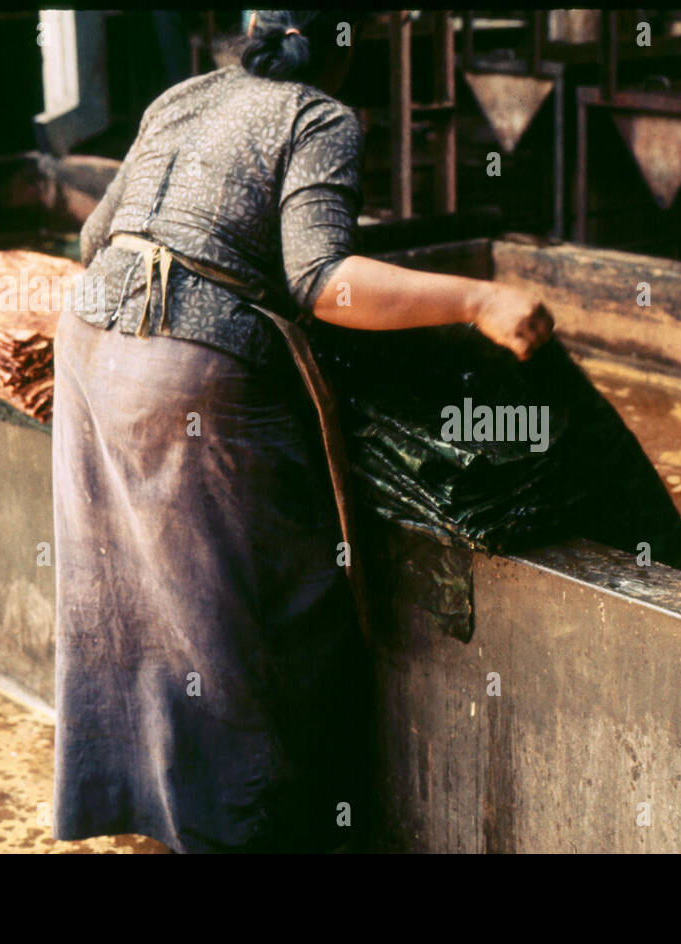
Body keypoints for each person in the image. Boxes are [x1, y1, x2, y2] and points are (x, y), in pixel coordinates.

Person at [51, 9, 554, 853]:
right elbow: (325, 284)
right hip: (188, 372)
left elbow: (93, 238)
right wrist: (479, 299)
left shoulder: (183, 95)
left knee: (132, 603)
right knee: (274, 605)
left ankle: (150, 812)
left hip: (91, 348)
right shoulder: (321, 116)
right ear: (349, 52)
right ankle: (256, 833)